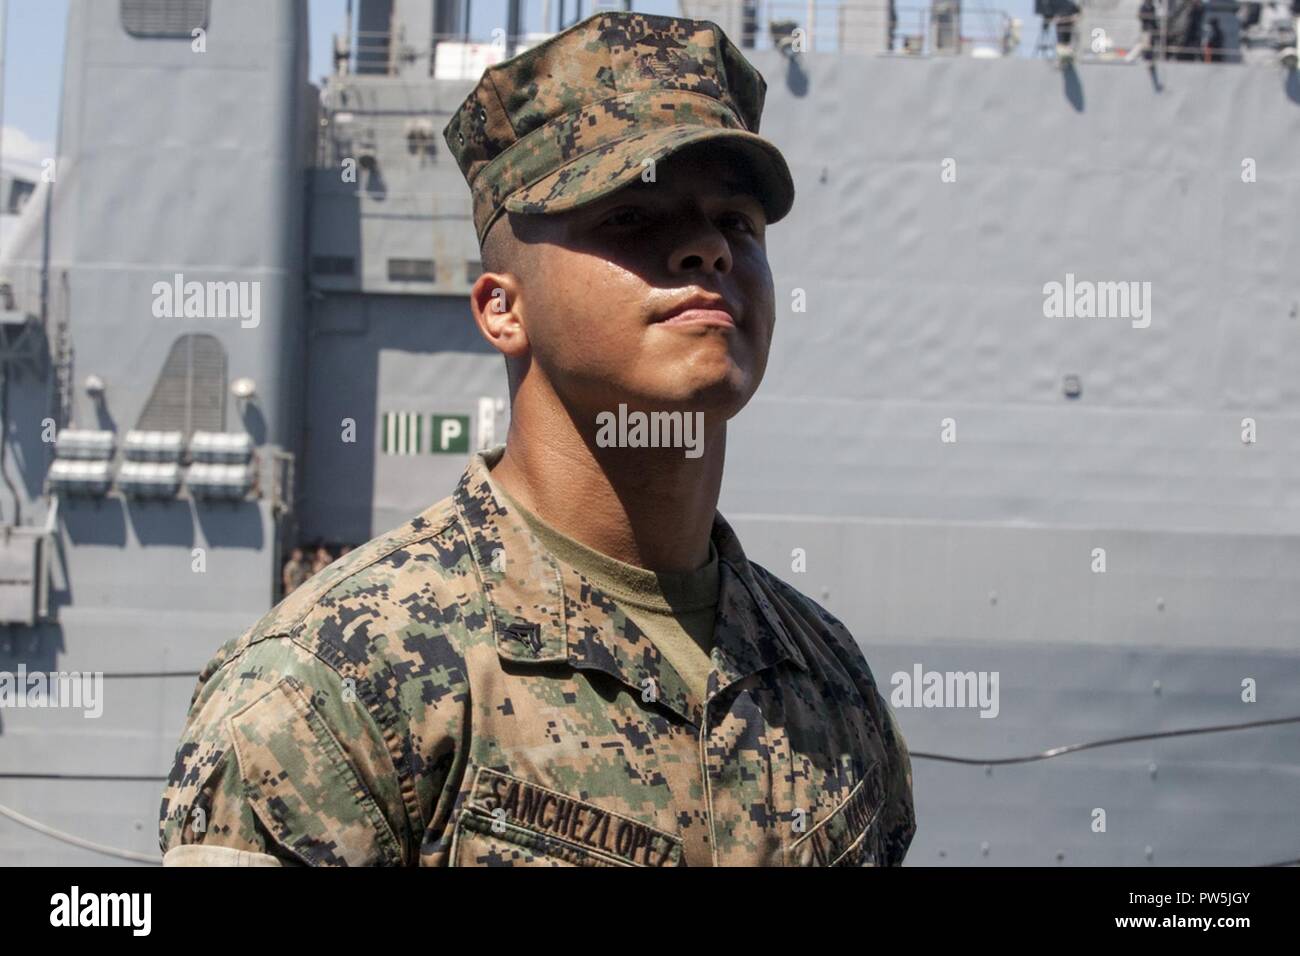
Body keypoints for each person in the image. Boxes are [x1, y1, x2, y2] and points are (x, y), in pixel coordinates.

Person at [158, 10, 916, 868]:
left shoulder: (830, 684)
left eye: (737, 223)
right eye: (631, 216)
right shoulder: (335, 688)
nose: (706, 248)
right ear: (502, 308)